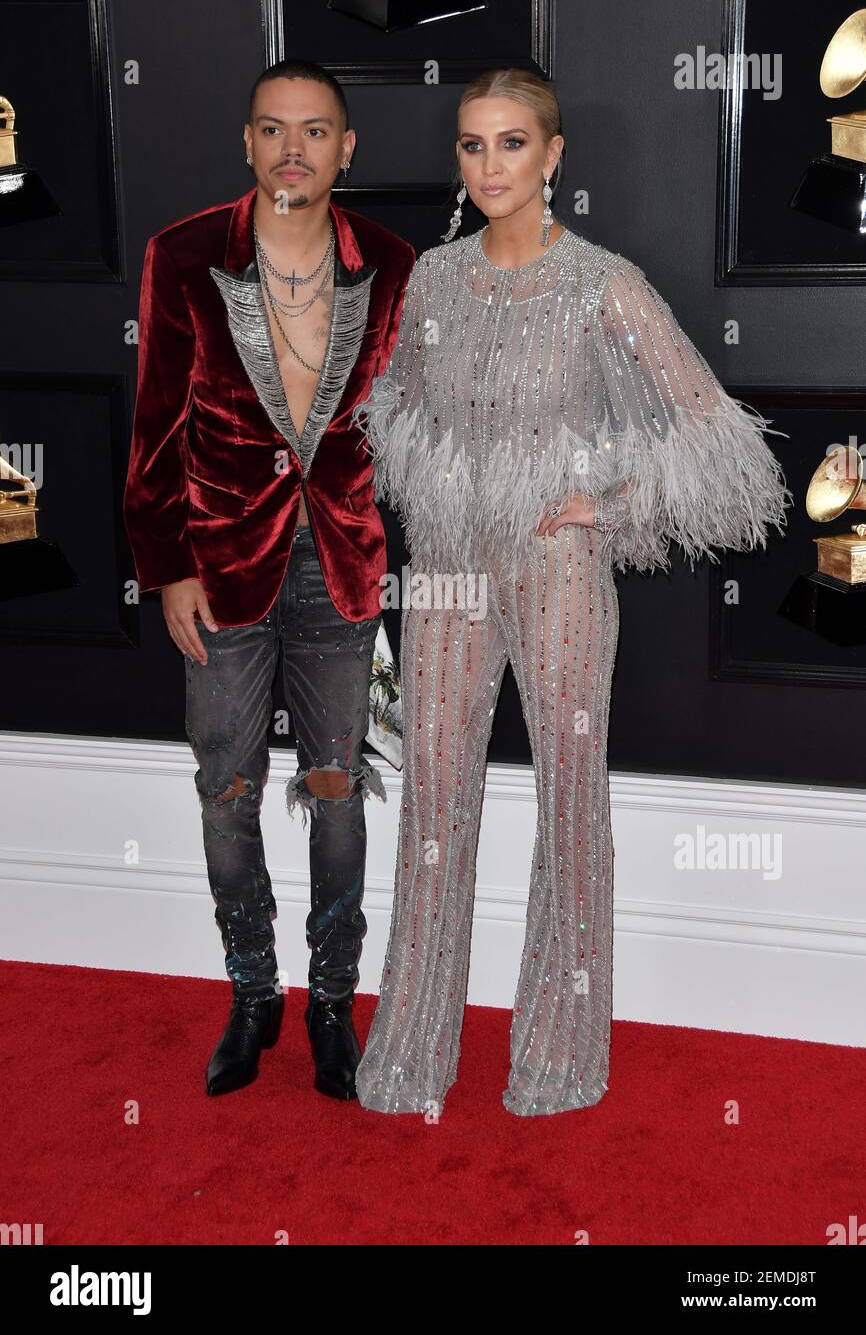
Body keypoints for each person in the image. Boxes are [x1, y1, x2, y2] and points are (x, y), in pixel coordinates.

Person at [350, 67, 791, 1117]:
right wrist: (445, 493)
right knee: (432, 798)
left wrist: (608, 502)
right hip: (448, 568)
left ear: (553, 155)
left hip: (559, 573)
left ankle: (556, 1052)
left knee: (570, 796)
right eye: (472, 145)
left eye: (512, 143)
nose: (490, 165)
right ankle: (411, 1049)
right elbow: (397, 414)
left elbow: (720, 441)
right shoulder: (433, 280)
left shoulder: (604, 284)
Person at [123, 59, 415, 1100]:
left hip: (341, 563)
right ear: (247, 142)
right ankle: (254, 994)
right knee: (226, 789)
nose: (294, 149)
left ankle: (333, 1002)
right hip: (219, 566)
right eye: (273, 129)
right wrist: (166, 567)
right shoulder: (184, 253)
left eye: (315, 130)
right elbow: (154, 426)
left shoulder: (392, 263)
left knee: (338, 790)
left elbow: (412, 425)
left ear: (346, 147)